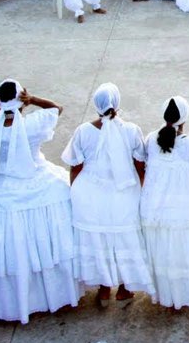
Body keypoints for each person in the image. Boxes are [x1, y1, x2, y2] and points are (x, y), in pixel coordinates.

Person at [0, 80, 81, 322]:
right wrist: (33, 100)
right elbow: (56, 108)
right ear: (22, 101)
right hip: (33, 183)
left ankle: (5, 302)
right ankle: (46, 295)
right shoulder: (32, 125)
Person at [61, 82, 153, 303]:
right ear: (117, 104)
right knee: (124, 240)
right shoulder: (131, 130)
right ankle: (124, 288)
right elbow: (140, 165)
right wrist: (142, 192)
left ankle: (103, 288)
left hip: (91, 195)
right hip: (124, 194)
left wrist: (76, 193)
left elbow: (75, 167)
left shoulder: (83, 131)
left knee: (98, 240)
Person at [139, 96, 189, 309]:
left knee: (165, 254)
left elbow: (144, 169)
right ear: (185, 118)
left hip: (156, 210)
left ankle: (166, 294)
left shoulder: (151, 140)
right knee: (188, 253)